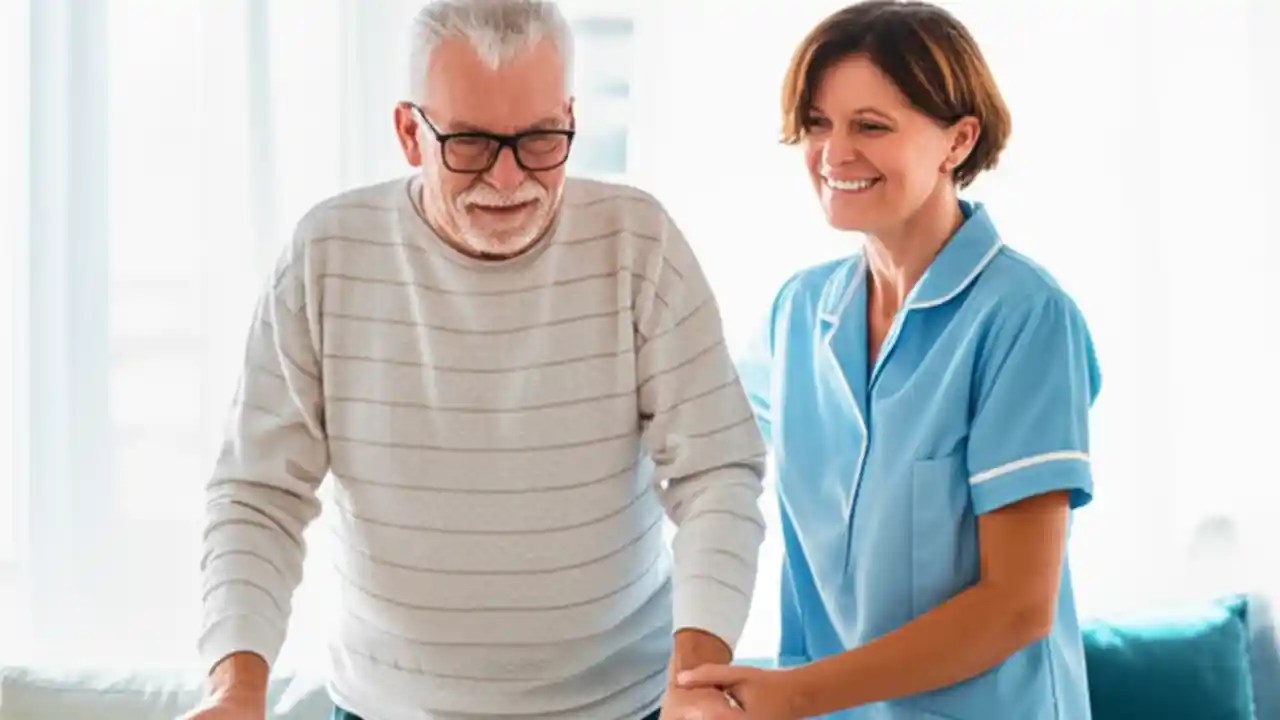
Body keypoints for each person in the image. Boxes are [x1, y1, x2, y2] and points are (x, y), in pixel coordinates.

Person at [182, 2, 766, 719]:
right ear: (408, 132)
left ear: (571, 116)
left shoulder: (637, 243)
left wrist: (694, 684)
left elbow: (716, 474)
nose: (508, 177)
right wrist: (235, 693)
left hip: (624, 706)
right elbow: (257, 495)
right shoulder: (327, 254)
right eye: (470, 144)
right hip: (385, 707)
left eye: (542, 139)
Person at [676, 2, 1101, 719]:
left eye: (869, 126)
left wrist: (797, 694)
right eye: (817, 124)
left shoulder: (1025, 319)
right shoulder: (797, 315)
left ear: (957, 141)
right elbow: (707, 468)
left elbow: (1016, 606)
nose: (833, 154)